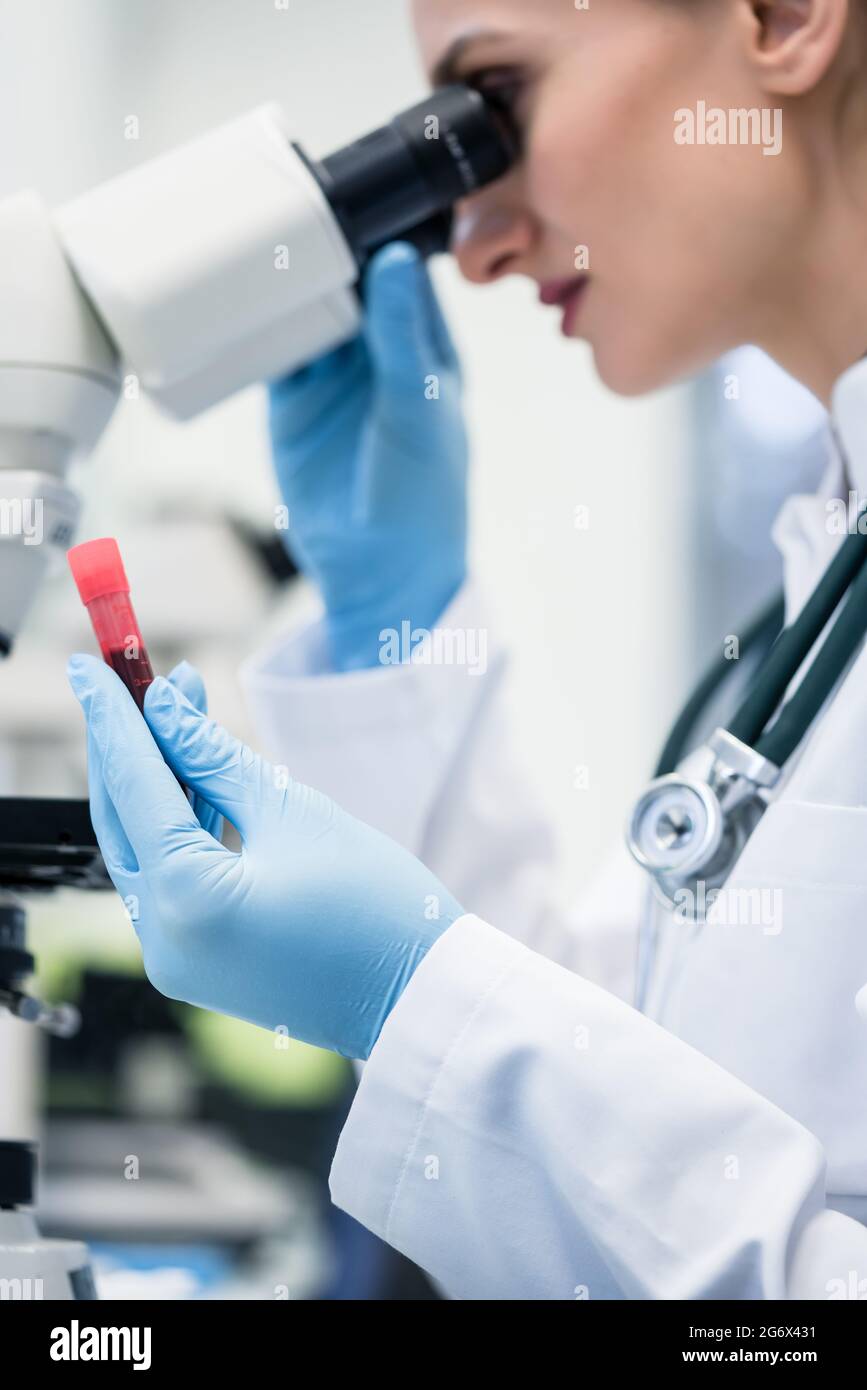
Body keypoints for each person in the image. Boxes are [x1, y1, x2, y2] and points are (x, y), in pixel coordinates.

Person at [67, 0, 867, 1299]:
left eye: (492, 103)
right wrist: (397, 611)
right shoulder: (814, 617)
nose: (479, 241)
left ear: (781, 20)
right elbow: (627, 1067)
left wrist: (406, 994)